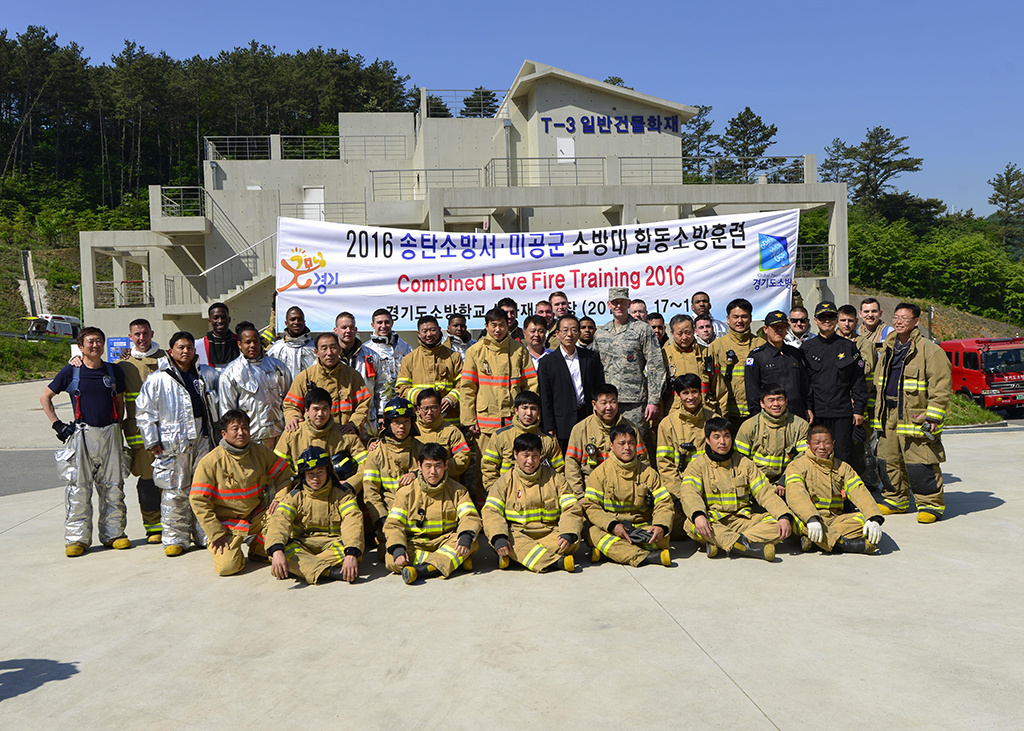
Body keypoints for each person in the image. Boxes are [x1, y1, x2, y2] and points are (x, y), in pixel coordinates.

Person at [41, 327, 130, 557]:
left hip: (111, 432)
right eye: (90, 342)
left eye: (99, 341)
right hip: (82, 434)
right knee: (79, 489)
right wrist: (57, 424)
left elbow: (119, 401)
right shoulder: (72, 371)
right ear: (80, 347)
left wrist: (116, 424)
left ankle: (114, 534)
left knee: (113, 487)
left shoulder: (113, 371)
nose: (95, 345)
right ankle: (77, 539)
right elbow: (45, 397)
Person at [136, 331, 220, 556]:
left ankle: (204, 534)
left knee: (203, 489)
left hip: (203, 439)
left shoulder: (207, 375)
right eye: (180, 347)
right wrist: (152, 439)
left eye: (189, 347)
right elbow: (145, 412)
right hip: (172, 444)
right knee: (175, 491)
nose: (185, 351)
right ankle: (175, 538)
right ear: (170, 351)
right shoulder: (158, 378)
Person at [872, 303, 952, 523]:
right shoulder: (887, 348)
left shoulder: (930, 350)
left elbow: (941, 387)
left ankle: (931, 505)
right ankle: (895, 500)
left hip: (915, 416)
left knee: (921, 462)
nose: (898, 321)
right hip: (887, 415)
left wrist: (934, 416)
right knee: (887, 460)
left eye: (904, 318)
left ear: (916, 322)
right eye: (896, 317)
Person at [189, 409, 292, 575]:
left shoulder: (260, 452)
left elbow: (285, 475)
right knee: (228, 568)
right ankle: (236, 550)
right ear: (224, 434)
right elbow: (198, 500)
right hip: (227, 526)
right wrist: (215, 532)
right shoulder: (211, 461)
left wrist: (279, 500)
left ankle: (258, 549)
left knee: (285, 518)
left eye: (245, 428)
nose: (241, 432)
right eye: (235, 429)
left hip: (258, 517)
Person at [679, 417, 795, 560]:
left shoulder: (745, 463)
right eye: (716, 437)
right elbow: (690, 494)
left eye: (726, 436)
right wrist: (699, 515)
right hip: (714, 522)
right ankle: (748, 546)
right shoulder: (697, 466)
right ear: (707, 440)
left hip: (744, 521)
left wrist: (783, 515)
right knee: (690, 523)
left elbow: (765, 493)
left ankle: (727, 543)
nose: (722, 442)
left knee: (781, 522)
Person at [383, 442, 482, 584]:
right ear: (419, 466)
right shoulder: (405, 493)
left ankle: (419, 571)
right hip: (416, 543)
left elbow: (470, 517)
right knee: (391, 558)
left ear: (446, 465)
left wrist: (465, 536)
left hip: (446, 540)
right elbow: (393, 525)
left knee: (472, 543)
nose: (433, 472)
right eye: (428, 466)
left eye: (438, 466)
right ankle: (452, 562)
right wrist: (398, 549)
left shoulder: (458, 491)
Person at [483, 433, 583, 573]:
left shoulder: (556, 479)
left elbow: (571, 508)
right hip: (518, 534)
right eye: (526, 455)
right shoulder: (504, 482)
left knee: (572, 541)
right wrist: (499, 537)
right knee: (503, 541)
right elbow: (491, 512)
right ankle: (557, 562)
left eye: (535, 456)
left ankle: (516, 557)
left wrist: (568, 533)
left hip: (549, 533)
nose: (530, 461)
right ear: (515, 455)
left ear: (541, 456)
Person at [265, 446, 364, 584]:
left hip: (333, 544)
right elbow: (279, 522)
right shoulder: (294, 497)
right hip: (303, 544)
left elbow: (353, 522)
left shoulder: (343, 495)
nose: (315, 478)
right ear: (303, 475)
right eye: (310, 473)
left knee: (350, 551)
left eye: (320, 472)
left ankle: (304, 568)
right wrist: (276, 551)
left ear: (328, 471)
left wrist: (352, 553)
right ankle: (330, 572)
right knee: (278, 552)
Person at [582, 424, 673, 567]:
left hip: (641, 528)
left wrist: (660, 526)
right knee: (592, 532)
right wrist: (612, 525)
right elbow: (591, 507)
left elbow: (665, 503)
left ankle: (613, 552)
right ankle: (647, 557)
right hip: (612, 529)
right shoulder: (599, 474)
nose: (627, 447)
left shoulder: (649, 473)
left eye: (631, 443)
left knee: (662, 537)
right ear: (611, 445)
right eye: (621, 443)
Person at [784, 425, 885, 553]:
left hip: (835, 520)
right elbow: (796, 495)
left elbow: (859, 491)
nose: (822, 447)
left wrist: (873, 518)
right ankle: (844, 544)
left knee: (863, 521)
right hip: (807, 519)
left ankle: (815, 542)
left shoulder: (843, 467)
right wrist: (811, 518)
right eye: (817, 443)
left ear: (833, 444)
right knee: (790, 519)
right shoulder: (796, 466)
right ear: (808, 444)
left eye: (826, 443)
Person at [460, 306, 538, 468]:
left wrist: (528, 414)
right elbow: (467, 388)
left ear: (507, 325)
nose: (498, 329)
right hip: (485, 424)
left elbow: (530, 384)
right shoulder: (475, 351)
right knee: (485, 468)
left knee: (514, 467)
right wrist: (469, 420)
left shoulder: (519, 350)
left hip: (514, 423)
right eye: (493, 325)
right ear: (486, 326)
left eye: (502, 324)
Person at [594, 287, 666, 459]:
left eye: (622, 302)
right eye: (615, 302)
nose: (618, 306)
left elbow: (656, 365)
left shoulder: (642, 330)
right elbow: (595, 369)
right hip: (607, 403)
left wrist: (653, 401)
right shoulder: (601, 333)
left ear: (628, 304)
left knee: (637, 446)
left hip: (633, 402)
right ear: (608, 305)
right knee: (608, 446)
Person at [802, 302, 868, 466]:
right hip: (816, 414)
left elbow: (858, 381)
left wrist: (859, 409)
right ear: (815, 321)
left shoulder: (848, 347)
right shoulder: (806, 349)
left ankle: (841, 490)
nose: (827, 320)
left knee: (843, 455)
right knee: (817, 454)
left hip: (842, 415)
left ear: (837, 319)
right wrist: (807, 408)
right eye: (822, 317)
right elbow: (803, 384)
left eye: (831, 316)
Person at [348, 397, 421, 545]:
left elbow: (436, 479)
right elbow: (371, 493)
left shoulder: (422, 449)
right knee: (390, 554)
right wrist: (383, 523)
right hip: (390, 515)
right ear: (388, 424)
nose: (402, 427)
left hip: (418, 514)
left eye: (406, 421)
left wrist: (415, 474)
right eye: (396, 422)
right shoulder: (376, 453)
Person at [118, 318, 166, 543]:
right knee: (147, 480)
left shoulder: (166, 358)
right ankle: (153, 527)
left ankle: (172, 523)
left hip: (168, 432)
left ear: (152, 333)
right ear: (130, 337)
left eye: (145, 333)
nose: (141, 338)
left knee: (170, 480)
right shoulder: (123, 365)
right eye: (136, 334)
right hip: (139, 434)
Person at [656, 374, 716, 537]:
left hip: (712, 489)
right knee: (675, 530)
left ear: (701, 392)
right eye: (685, 393)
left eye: (694, 392)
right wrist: (684, 497)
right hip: (682, 489)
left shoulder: (714, 420)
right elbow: (665, 466)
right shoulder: (667, 424)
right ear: (678, 395)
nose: (691, 397)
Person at [564, 383, 650, 498]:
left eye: (613, 402)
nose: (609, 407)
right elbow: (571, 466)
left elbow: (643, 461)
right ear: (594, 404)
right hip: (591, 492)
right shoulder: (580, 429)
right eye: (604, 403)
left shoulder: (630, 428)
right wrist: (580, 496)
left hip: (625, 492)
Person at [538, 314, 605, 453]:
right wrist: (549, 426)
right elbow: (545, 397)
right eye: (565, 330)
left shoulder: (590, 357)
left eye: (574, 330)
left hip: (587, 416)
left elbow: (598, 388)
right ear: (557, 334)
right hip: (562, 422)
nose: (570, 334)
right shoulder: (547, 362)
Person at [282, 332, 371, 436]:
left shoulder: (352, 376)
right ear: (316, 352)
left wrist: (354, 425)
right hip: (313, 438)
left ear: (339, 350)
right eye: (324, 348)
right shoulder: (305, 377)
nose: (329, 353)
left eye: (333, 347)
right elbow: (291, 405)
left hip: (345, 438)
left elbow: (363, 404)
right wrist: (293, 418)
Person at [219, 322, 290, 448]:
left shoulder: (278, 367)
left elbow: (289, 401)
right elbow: (228, 412)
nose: (252, 345)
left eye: (255, 341)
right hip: (251, 439)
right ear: (239, 344)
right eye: (247, 342)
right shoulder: (231, 373)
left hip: (280, 436)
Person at [481, 390, 564, 492]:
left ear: (538, 412)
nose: (529, 413)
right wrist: (496, 491)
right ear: (516, 410)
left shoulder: (548, 440)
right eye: (524, 408)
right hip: (508, 493)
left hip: (541, 493)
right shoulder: (501, 437)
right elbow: (489, 467)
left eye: (533, 409)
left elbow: (559, 471)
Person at [273, 386, 367, 472]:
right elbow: (278, 469)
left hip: (337, 489)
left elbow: (365, 465)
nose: (320, 414)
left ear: (330, 410)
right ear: (307, 411)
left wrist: (348, 485)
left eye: (324, 409)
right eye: (316, 409)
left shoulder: (345, 435)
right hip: (300, 488)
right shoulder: (292, 434)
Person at [734, 385, 809, 489]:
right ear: (762, 403)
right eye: (771, 400)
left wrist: (784, 480)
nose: (776, 404)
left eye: (780, 399)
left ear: (786, 401)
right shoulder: (749, 425)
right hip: (755, 481)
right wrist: (755, 481)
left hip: (787, 481)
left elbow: (803, 458)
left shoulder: (800, 425)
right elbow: (740, 459)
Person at [745, 310, 814, 423]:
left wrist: (808, 407)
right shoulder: (757, 356)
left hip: (797, 416)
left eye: (782, 326)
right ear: (766, 329)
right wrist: (757, 417)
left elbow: (805, 385)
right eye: (775, 327)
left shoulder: (795, 354)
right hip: (770, 418)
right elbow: (752, 391)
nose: (779, 330)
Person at [708, 298, 766, 431]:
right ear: (728, 319)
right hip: (726, 415)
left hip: (757, 414)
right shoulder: (717, 347)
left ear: (751, 318)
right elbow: (710, 382)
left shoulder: (761, 345)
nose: (740, 321)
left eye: (744, 316)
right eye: (736, 317)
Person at [397, 315, 463, 427]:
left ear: (439, 330)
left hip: (449, 422)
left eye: (433, 330)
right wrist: (422, 399)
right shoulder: (409, 359)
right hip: (421, 424)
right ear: (418, 333)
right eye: (424, 331)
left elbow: (464, 384)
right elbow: (401, 388)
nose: (429, 334)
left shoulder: (454, 357)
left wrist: (450, 399)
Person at [838, 304, 879, 482]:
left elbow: (866, 368)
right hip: (836, 403)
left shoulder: (864, 344)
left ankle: (863, 484)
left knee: (859, 448)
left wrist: (848, 355)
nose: (846, 324)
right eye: (843, 320)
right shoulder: (830, 342)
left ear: (856, 321)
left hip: (857, 404)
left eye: (850, 320)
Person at [335, 311, 385, 434]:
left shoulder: (372, 356)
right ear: (336, 330)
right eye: (344, 327)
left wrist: (381, 414)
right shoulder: (329, 357)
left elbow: (382, 387)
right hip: (337, 423)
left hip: (367, 421)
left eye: (351, 328)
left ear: (356, 330)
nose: (348, 331)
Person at [414, 388, 471, 482]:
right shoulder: (412, 431)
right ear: (418, 409)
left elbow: (463, 458)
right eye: (425, 408)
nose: (430, 412)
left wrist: (440, 469)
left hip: (447, 485)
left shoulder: (452, 431)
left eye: (434, 408)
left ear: (440, 407)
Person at [365, 307, 413, 416]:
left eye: (387, 322)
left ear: (392, 323)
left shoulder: (405, 347)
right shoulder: (366, 350)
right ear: (373, 325)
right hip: (376, 411)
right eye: (379, 323)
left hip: (404, 407)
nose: (383, 326)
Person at [662, 314, 710, 415]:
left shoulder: (706, 353)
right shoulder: (664, 355)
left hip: (704, 411)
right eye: (680, 334)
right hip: (675, 412)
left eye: (688, 333)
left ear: (694, 331)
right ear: (672, 334)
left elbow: (719, 386)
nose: (684, 337)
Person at [267, 306, 316, 381]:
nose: (296, 322)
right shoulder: (276, 349)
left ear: (304, 322)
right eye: (293, 319)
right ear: (286, 323)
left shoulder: (315, 347)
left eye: (300, 319)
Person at [196, 302, 239, 367]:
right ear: (209, 321)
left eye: (223, 317)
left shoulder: (240, 342)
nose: (220, 321)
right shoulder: (199, 345)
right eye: (216, 318)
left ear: (229, 319)